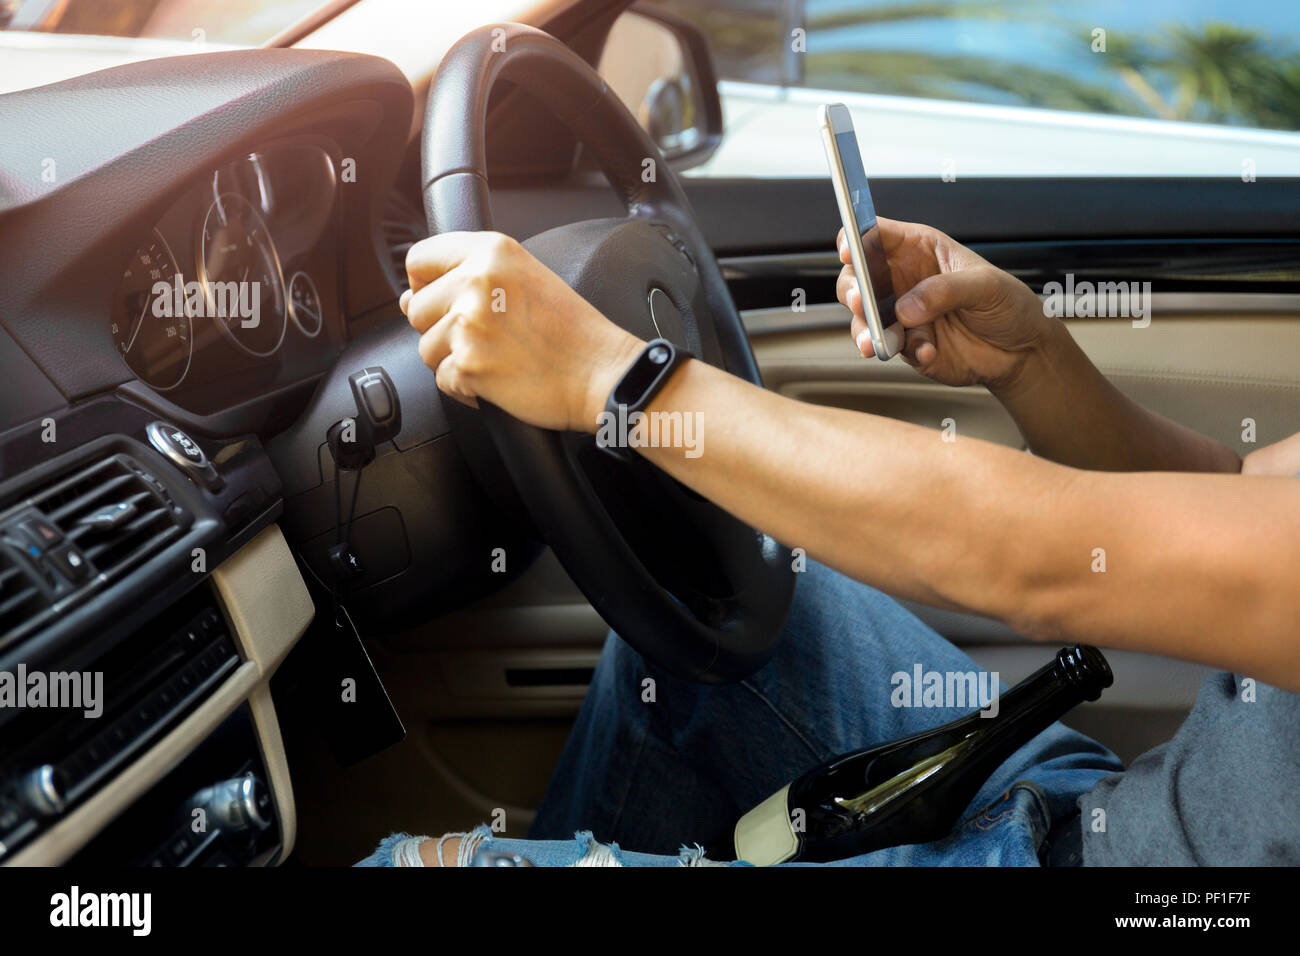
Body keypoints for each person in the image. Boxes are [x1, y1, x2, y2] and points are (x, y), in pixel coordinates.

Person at [357, 218, 1300, 867]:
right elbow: (1235, 497)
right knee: (716, 622)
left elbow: (1032, 558)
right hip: (1126, 814)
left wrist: (611, 377)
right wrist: (1034, 360)